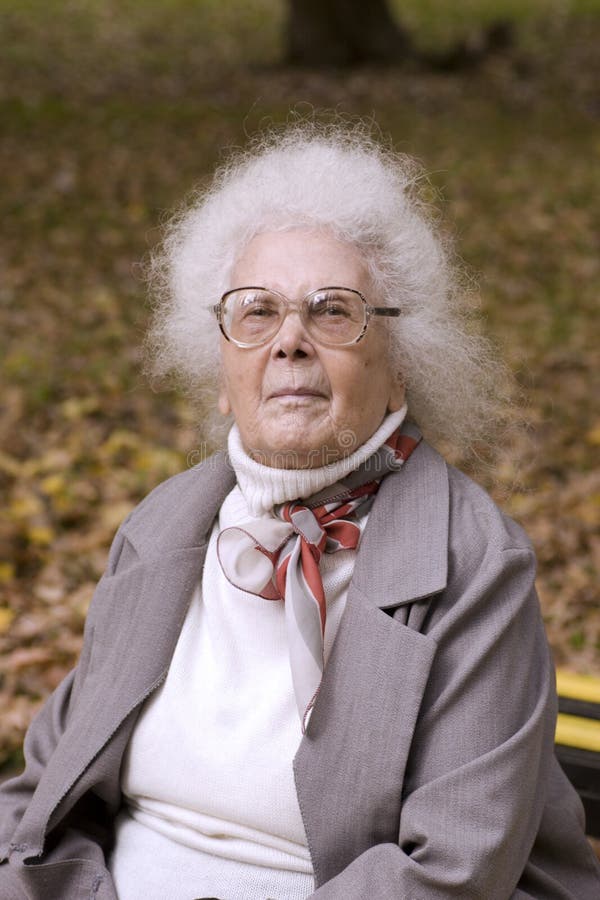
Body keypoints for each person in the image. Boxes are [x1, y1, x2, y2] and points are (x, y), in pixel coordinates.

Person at [1, 121, 599, 900]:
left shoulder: (473, 561)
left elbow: (453, 870)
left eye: (333, 311)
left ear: (400, 368)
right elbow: (43, 799)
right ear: (221, 369)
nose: (289, 341)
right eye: (256, 312)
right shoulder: (163, 528)